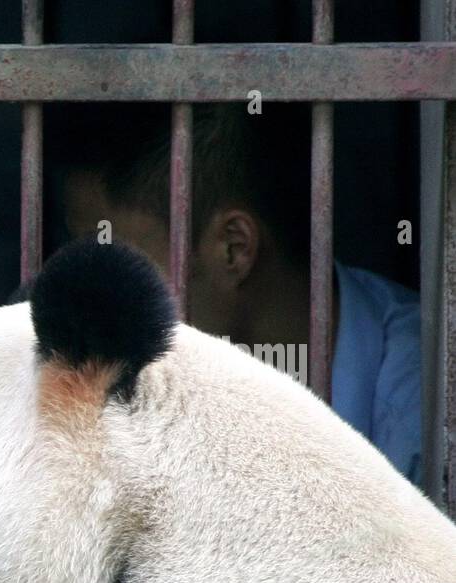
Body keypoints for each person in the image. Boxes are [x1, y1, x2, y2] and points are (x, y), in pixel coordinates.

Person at [50, 102, 422, 485]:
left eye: (113, 262)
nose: (92, 302)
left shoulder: (425, 411)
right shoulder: (137, 393)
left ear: (234, 248)